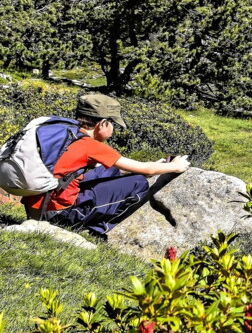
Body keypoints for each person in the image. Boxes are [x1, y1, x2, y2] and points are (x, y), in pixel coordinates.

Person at [22, 93, 191, 237]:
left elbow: (112, 167)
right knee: (138, 182)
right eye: (113, 124)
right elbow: (147, 170)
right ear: (102, 123)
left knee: (109, 169)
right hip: (59, 215)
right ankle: (95, 230)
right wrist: (176, 166)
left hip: (36, 208)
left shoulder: (66, 133)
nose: (113, 130)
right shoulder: (90, 145)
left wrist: (147, 167)